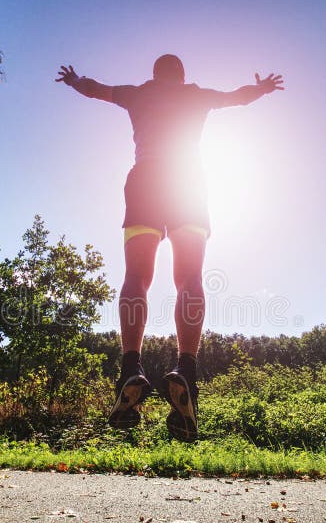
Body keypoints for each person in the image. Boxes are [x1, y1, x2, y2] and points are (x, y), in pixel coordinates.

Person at [56, 54, 283, 441]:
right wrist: (261, 89)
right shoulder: (196, 96)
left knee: (137, 277)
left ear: (154, 74)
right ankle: (186, 371)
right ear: (182, 76)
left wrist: (76, 81)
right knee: (190, 277)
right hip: (188, 183)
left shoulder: (137, 94)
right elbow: (236, 97)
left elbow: (98, 90)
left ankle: (131, 367)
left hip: (144, 181)